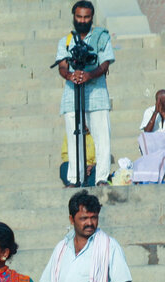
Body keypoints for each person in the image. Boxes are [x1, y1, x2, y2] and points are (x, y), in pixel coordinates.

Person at [57, 1, 115, 186]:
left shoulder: (101, 37)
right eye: (79, 17)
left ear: (92, 17)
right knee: (74, 138)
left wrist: (90, 75)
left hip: (97, 93)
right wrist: (70, 75)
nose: (82, 21)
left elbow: (105, 63)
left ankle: (101, 178)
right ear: (74, 17)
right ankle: (74, 178)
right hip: (72, 94)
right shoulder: (66, 40)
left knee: (102, 138)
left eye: (86, 17)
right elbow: (62, 66)